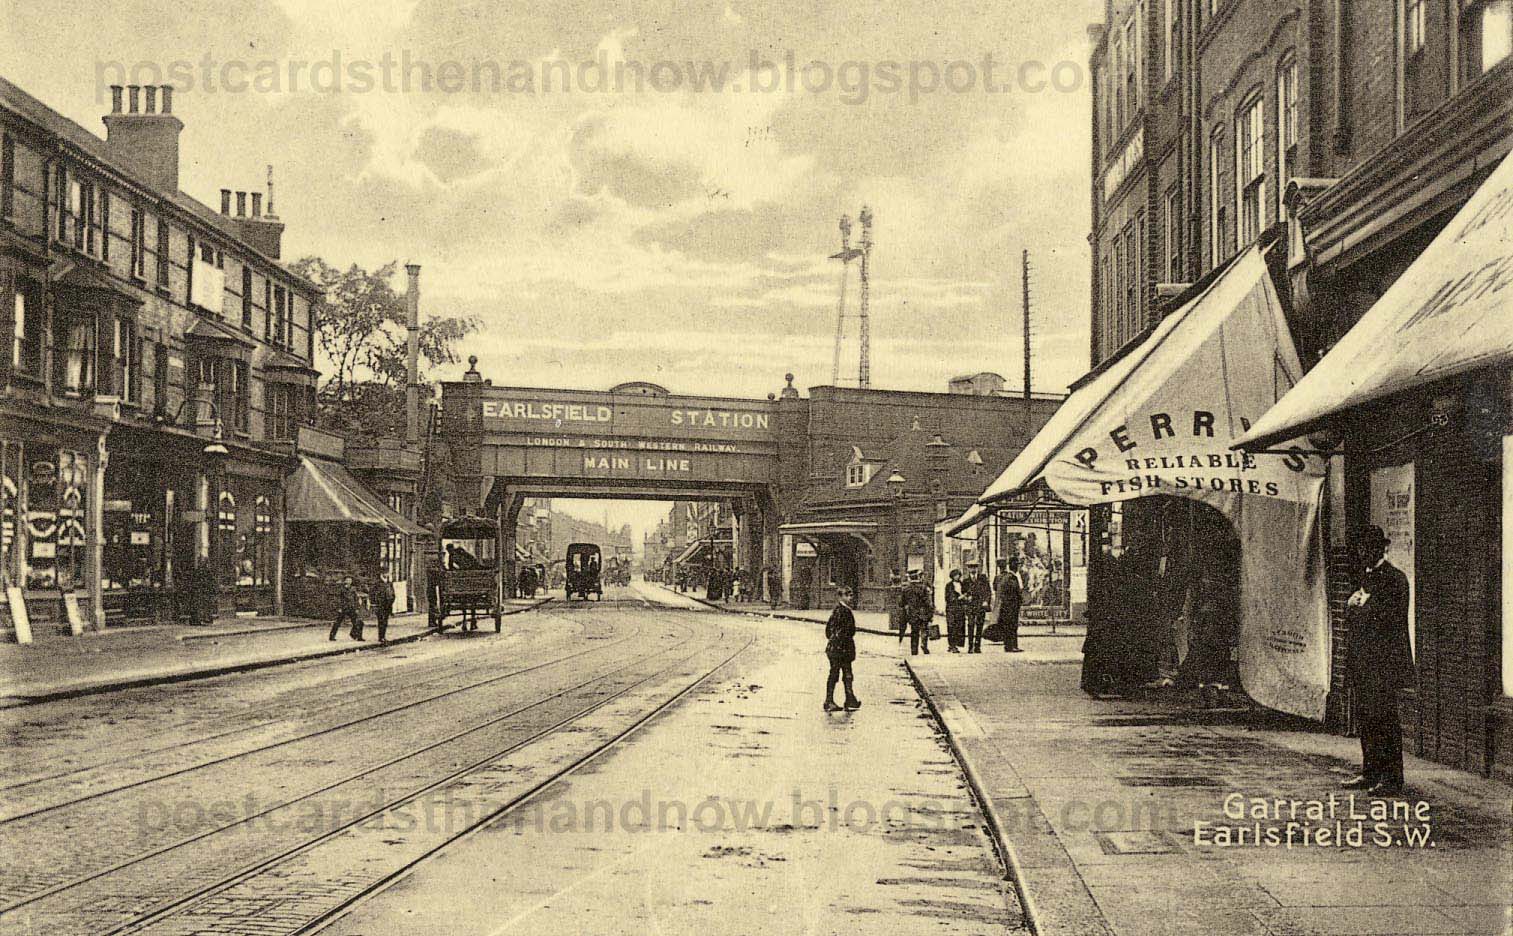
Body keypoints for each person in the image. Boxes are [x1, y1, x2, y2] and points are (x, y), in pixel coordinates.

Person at [1341, 525, 1413, 797]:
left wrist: (1358, 608)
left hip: (1384, 665)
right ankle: (1370, 772)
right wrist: (1354, 607)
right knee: (1367, 718)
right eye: (1360, 549)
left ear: (1382, 548)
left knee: (1385, 720)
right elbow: (1355, 614)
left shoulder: (1395, 579)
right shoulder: (1367, 577)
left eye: (1369, 548)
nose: (1363, 553)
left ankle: (1392, 778)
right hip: (1364, 663)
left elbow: (1384, 619)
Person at [823, 586, 861, 712]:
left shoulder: (836, 610)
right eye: (847, 595)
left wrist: (833, 640)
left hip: (835, 648)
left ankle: (848, 699)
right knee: (843, 674)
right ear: (840, 596)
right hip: (842, 649)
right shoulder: (845, 611)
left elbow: (828, 631)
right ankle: (832, 701)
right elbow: (851, 631)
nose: (850, 598)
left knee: (841, 673)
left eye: (850, 595)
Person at [994, 557, 1025, 652]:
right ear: (1013, 566)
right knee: (1011, 626)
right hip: (1010, 606)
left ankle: (1011, 646)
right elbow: (1012, 592)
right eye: (1017, 565)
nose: (1018, 567)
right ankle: (1010, 646)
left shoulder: (1010, 577)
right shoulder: (1010, 577)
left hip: (1010, 606)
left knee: (1012, 625)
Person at [901, 569, 933, 655]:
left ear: (910, 578)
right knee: (924, 629)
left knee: (914, 632)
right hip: (923, 613)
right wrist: (930, 614)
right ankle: (924, 645)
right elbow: (928, 602)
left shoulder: (906, 589)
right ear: (918, 577)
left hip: (912, 614)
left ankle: (914, 651)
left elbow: (902, 603)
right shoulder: (923, 588)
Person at [963, 561, 992, 653]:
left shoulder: (983, 579)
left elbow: (988, 592)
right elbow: (963, 593)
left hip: (980, 606)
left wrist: (986, 601)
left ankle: (977, 646)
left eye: (975, 567)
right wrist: (967, 598)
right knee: (970, 625)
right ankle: (970, 646)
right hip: (971, 606)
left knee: (979, 625)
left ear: (977, 568)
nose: (973, 569)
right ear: (968, 569)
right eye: (971, 567)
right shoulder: (965, 581)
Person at [329, 575, 364, 641]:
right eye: (347, 580)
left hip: (352, 607)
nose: (349, 582)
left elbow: (356, 599)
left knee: (358, 622)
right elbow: (338, 599)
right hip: (343, 608)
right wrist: (339, 607)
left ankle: (358, 636)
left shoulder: (353, 589)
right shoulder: (341, 589)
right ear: (345, 581)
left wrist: (357, 608)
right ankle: (332, 636)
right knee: (337, 622)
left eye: (350, 580)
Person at [944, 568, 966, 652]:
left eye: (958, 575)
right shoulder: (949, 585)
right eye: (955, 575)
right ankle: (952, 645)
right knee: (951, 626)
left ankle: (956, 644)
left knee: (959, 626)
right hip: (951, 609)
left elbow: (966, 592)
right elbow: (948, 597)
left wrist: (965, 598)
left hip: (960, 609)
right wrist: (958, 598)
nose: (957, 577)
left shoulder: (962, 584)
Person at [371, 570, 395, 643]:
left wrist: (391, 601)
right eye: (385, 573)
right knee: (381, 621)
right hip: (380, 605)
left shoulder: (389, 583)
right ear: (382, 574)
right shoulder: (377, 583)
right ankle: (380, 637)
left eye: (387, 573)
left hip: (387, 605)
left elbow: (393, 593)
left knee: (385, 622)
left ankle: (383, 636)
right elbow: (372, 593)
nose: (387, 574)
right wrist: (374, 603)